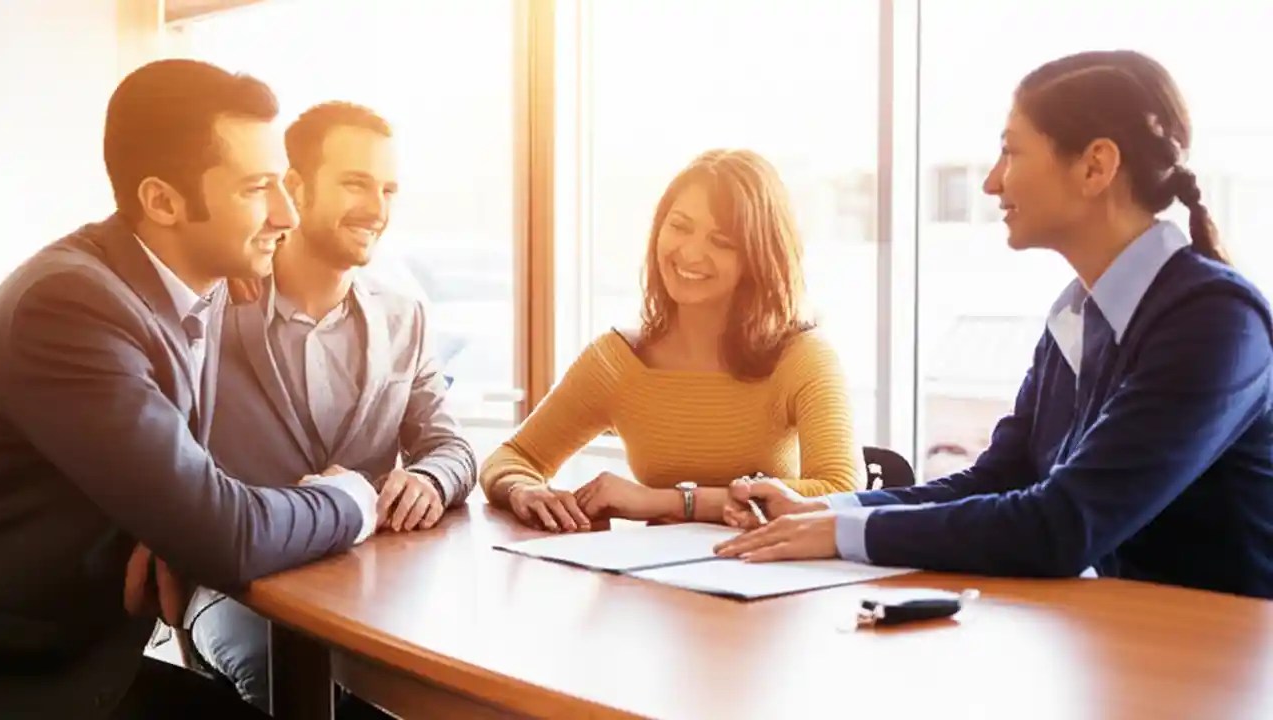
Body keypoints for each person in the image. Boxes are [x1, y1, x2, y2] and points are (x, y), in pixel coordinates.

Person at [716, 50, 1273, 600]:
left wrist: (843, 534)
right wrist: (826, 510)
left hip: (1221, 650)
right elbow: (1000, 479)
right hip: (1132, 636)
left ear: (1095, 166)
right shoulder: (1077, 315)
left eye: (1011, 152)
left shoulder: (1215, 323)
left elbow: (1062, 525)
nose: (991, 183)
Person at [0, 60, 380, 718]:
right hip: (32, 682)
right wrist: (351, 498)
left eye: (284, 182)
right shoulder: (69, 304)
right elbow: (227, 532)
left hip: (89, 664)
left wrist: (172, 521)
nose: (286, 214)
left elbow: (198, 512)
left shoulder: (190, 287)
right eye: (257, 188)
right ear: (163, 202)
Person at [189, 101, 477, 709]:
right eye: (355, 184)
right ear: (294, 187)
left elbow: (451, 446)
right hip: (241, 586)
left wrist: (430, 478)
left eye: (388, 190)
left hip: (368, 584)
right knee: (280, 673)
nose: (377, 209)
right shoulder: (211, 309)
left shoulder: (405, 317)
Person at [481, 149, 862, 532]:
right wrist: (523, 489)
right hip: (654, 567)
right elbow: (515, 456)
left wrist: (667, 502)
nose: (691, 252)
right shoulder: (617, 361)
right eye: (679, 226)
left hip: (770, 566)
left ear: (759, 257)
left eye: (722, 241)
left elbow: (840, 490)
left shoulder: (801, 356)